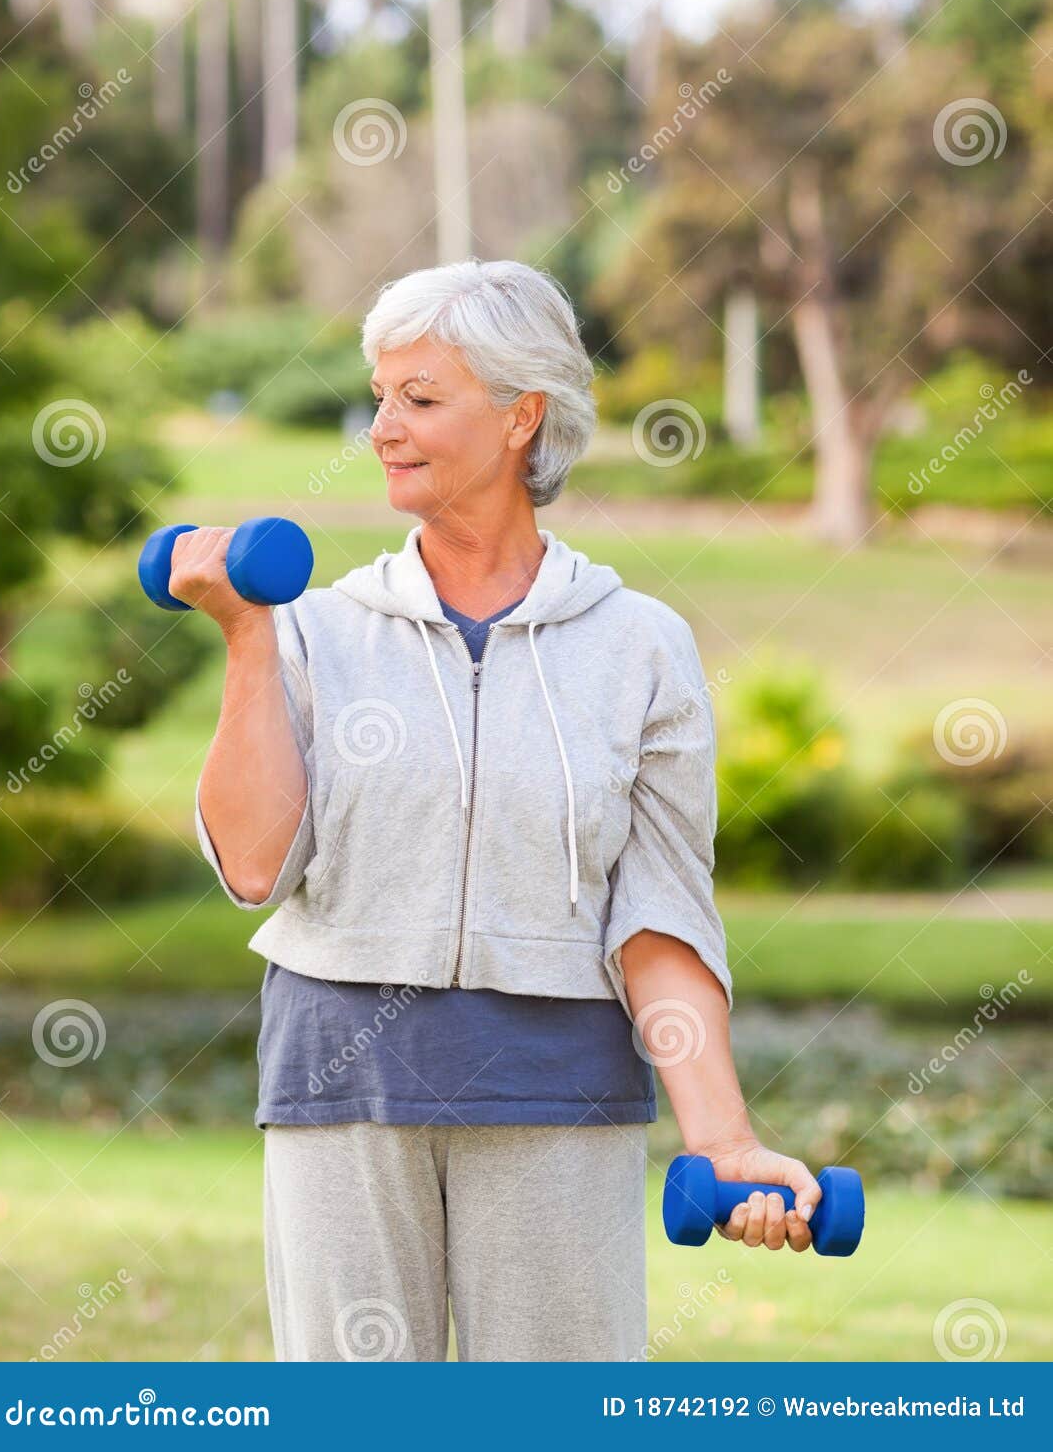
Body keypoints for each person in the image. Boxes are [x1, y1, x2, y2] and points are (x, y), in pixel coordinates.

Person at [181, 258, 823, 1364]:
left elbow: (660, 919)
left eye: (419, 398)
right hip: (344, 1091)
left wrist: (721, 1136)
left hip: (554, 1097)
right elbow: (249, 864)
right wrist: (247, 636)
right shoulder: (320, 630)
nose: (382, 425)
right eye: (379, 393)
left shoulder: (637, 649)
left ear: (523, 415)